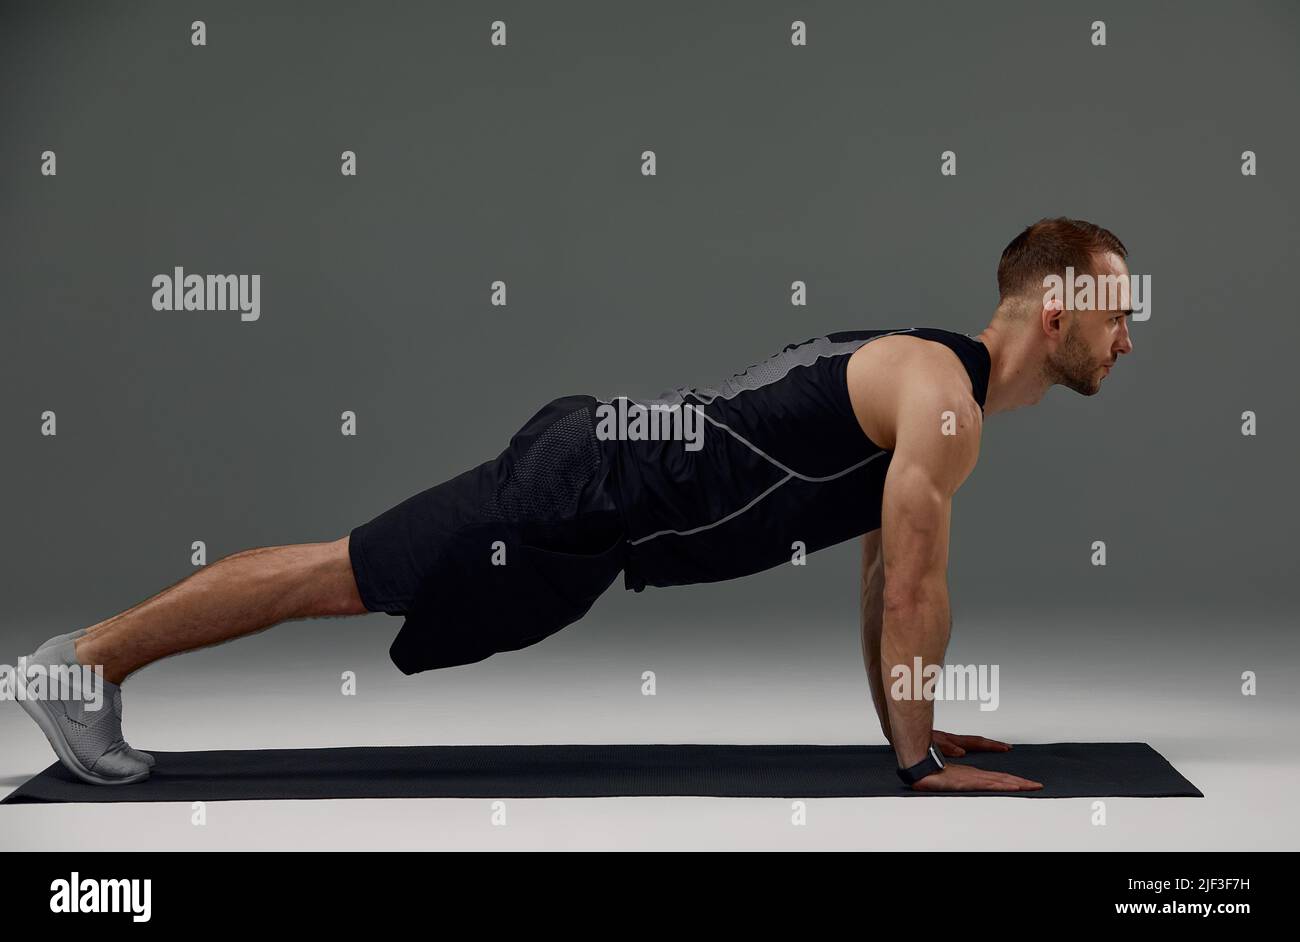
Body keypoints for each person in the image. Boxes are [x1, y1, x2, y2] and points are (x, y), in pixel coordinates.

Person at [14, 217, 1134, 791]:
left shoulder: (932, 383)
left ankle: (86, 665)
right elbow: (911, 582)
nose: (1127, 336)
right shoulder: (942, 401)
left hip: (597, 502)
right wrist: (920, 770)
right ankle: (83, 663)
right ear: (1054, 313)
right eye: (1116, 312)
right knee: (339, 572)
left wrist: (909, 726)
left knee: (347, 575)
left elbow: (887, 566)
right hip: (586, 487)